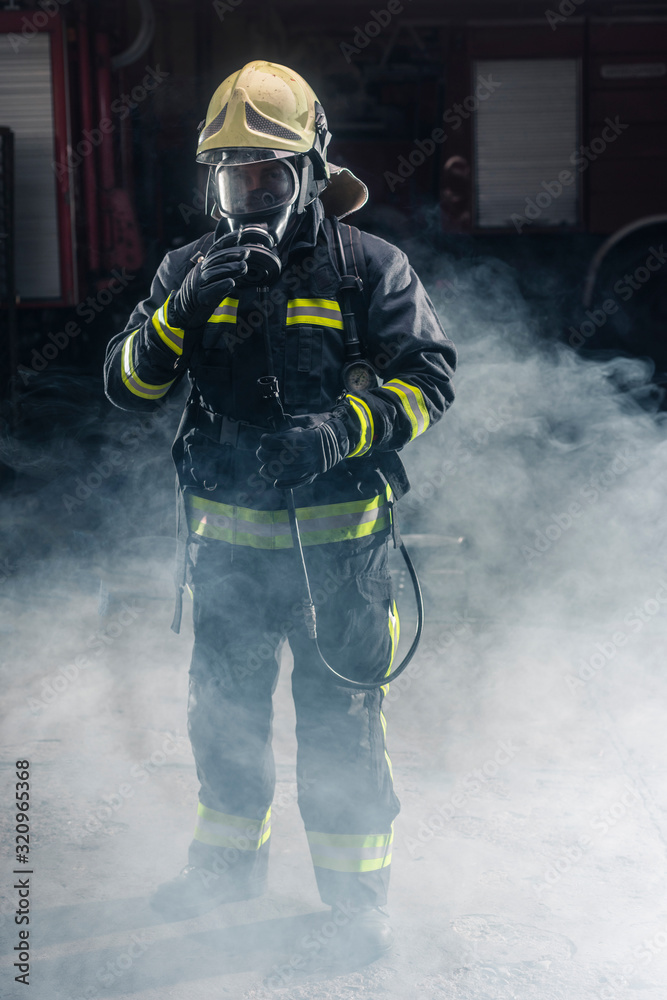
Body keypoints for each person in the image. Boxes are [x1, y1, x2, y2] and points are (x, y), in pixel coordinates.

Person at [104, 60, 456, 968]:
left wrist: (339, 433)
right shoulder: (187, 272)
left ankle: (357, 909)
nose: (252, 197)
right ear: (212, 188)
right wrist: (177, 312)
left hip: (343, 562)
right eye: (235, 180)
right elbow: (127, 386)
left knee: (341, 732)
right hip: (227, 560)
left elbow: (428, 380)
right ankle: (226, 869)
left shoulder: (368, 268)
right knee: (222, 719)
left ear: (310, 174)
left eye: (269, 176)